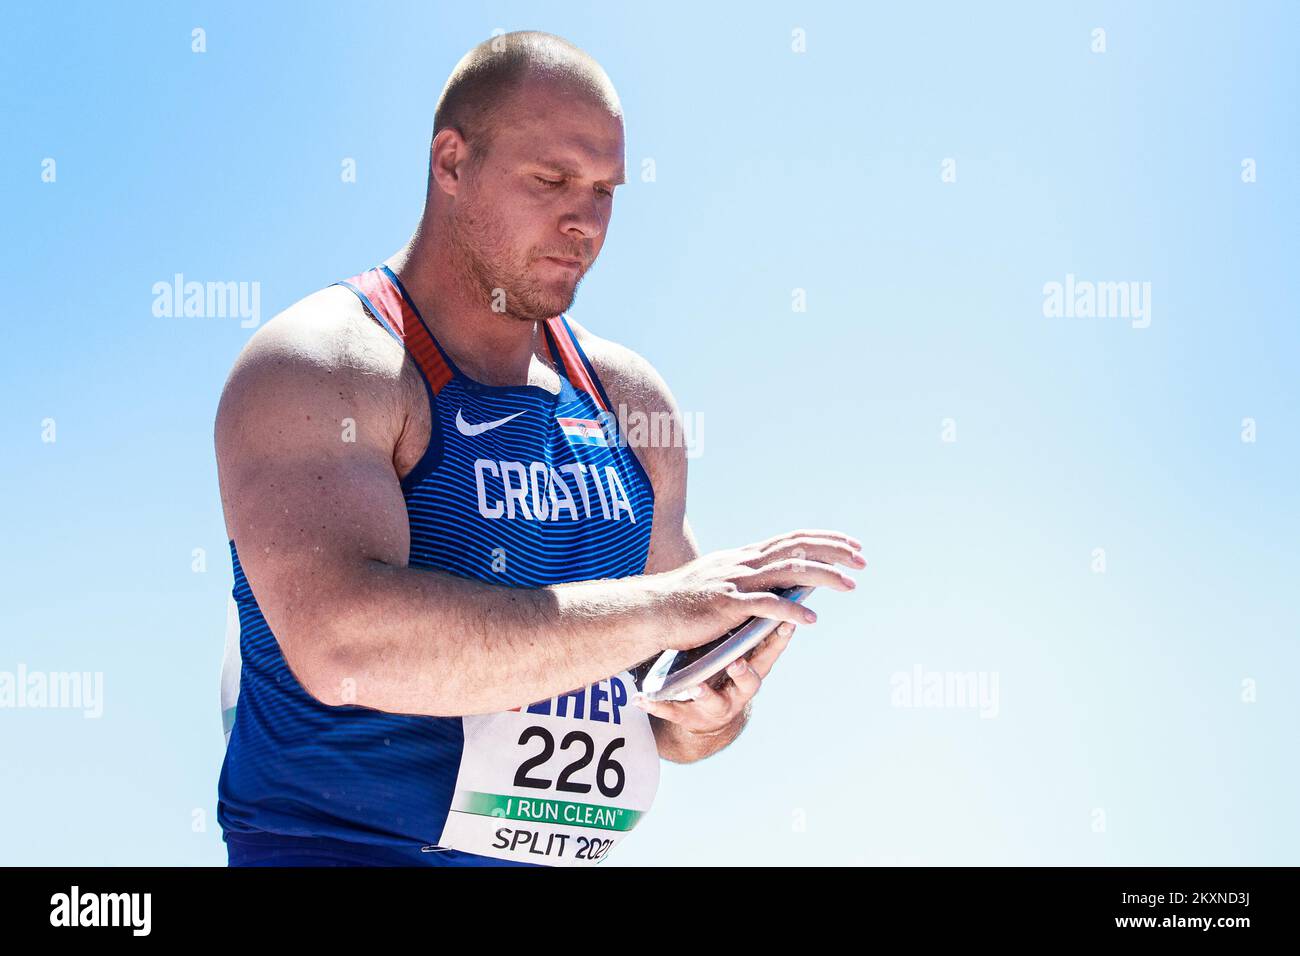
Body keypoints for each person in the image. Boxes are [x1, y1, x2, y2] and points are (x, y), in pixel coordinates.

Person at [214, 30, 863, 866]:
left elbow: (667, 712)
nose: (584, 222)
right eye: (551, 181)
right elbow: (343, 647)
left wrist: (711, 705)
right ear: (451, 163)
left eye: (605, 190)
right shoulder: (326, 365)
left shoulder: (629, 404)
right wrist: (666, 606)